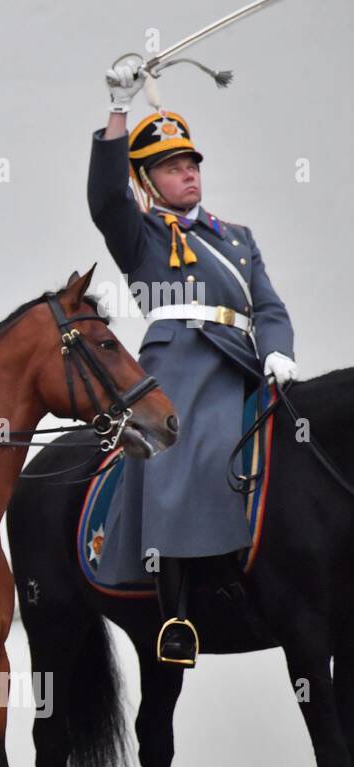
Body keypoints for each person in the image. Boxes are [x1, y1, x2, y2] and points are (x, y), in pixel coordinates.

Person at [90, 67, 296, 666]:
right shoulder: (141, 234)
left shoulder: (237, 237)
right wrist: (117, 106)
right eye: (174, 166)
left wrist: (279, 347)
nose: (189, 173)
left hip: (243, 360)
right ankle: (176, 613)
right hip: (179, 361)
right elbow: (105, 196)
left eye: (193, 164)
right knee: (179, 451)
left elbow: (269, 306)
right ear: (149, 181)